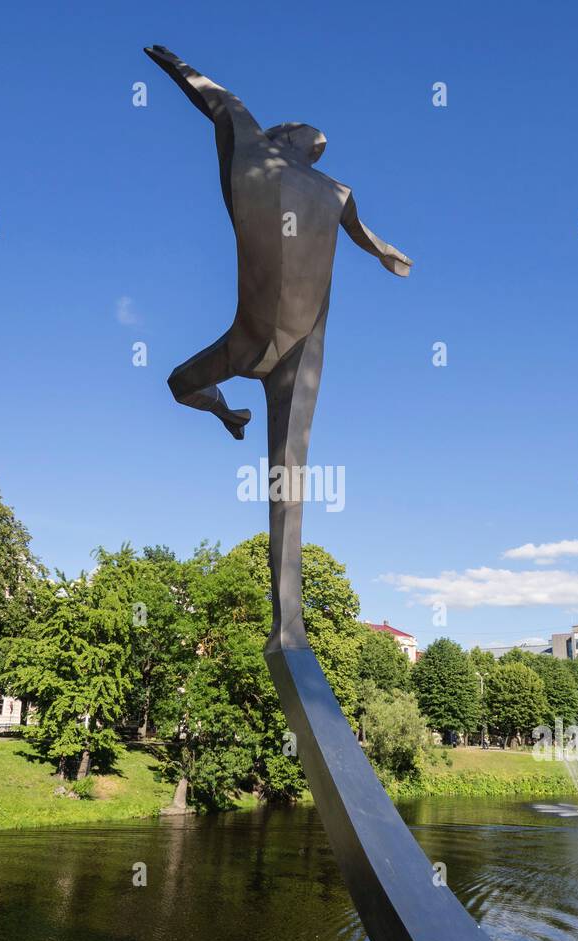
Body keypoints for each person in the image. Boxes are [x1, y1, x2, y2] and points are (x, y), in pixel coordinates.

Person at [145, 45, 411, 651]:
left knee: (289, 485)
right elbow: (221, 102)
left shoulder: (337, 190)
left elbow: (365, 235)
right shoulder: (259, 151)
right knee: (182, 384)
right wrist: (178, 66)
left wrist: (388, 253)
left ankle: (288, 624)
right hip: (252, 336)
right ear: (286, 134)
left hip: (298, 347)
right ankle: (227, 412)